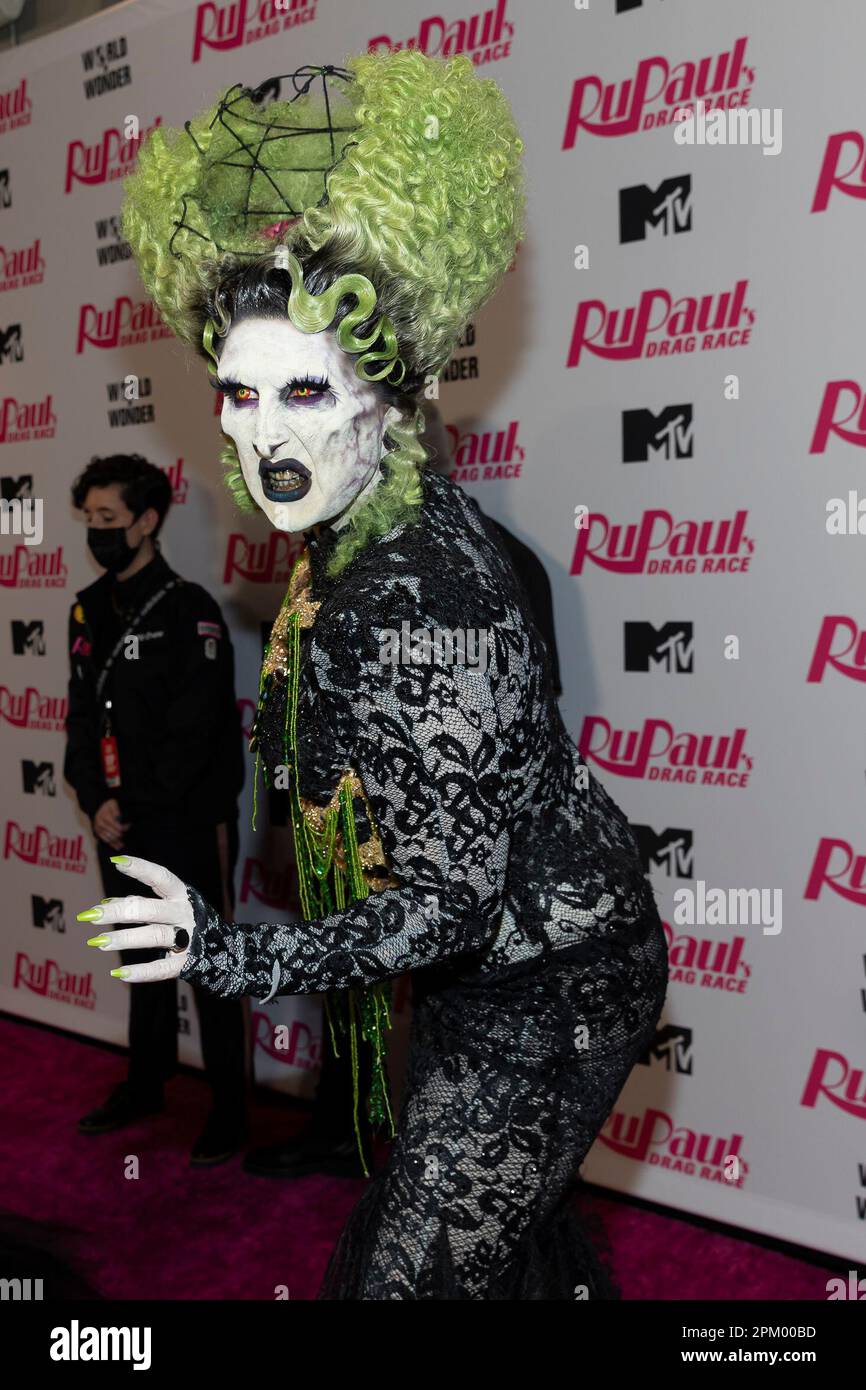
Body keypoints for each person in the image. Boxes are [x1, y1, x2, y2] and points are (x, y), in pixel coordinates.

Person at [79, 51, 668, 1298]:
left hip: (550, 977)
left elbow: (448, 902)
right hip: (486, 966)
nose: (263, 433)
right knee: (502, 1243)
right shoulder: (357, 527)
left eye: (304, 390)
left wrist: (224, 955)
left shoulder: (411, 596)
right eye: (236, 394)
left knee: (398, 1281)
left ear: (384, 407)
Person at [64, 453, 247, 1164]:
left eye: (108, 520)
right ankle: (146, 1081)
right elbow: (80, 717)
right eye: (89, 521)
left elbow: (196, 730)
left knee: (207, 961)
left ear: (146, 521)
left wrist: (134, 803)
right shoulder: (85, 606)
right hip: (117, 819)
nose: (97, 533)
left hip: (184, 820)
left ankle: (231, 1108)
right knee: (140, 958)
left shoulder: (189, 610)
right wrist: (95, 799)